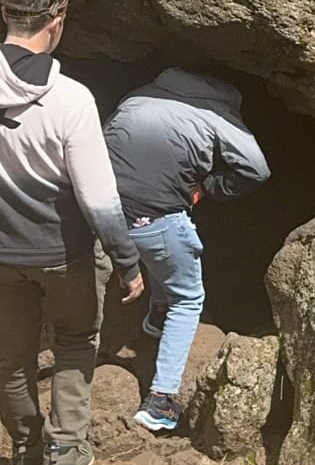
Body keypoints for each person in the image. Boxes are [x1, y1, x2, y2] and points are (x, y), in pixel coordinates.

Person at [0, 0, 144, 465]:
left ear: (4, 15)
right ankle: (64, 454)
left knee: (10, 356)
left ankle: (25, 452)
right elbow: (99, 198)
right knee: (76, 340)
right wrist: (127, 263)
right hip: (62, 254)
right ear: (57, 21)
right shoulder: (71, 99)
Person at [104, 68, 270, 433]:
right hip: (158, 219)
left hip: (105, 215)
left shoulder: (140, 95)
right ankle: (161, 400)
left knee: (163, 261)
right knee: (189, 299)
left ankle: (157, 315)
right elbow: (257, 170)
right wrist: (211, 186)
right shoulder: (216, 113)